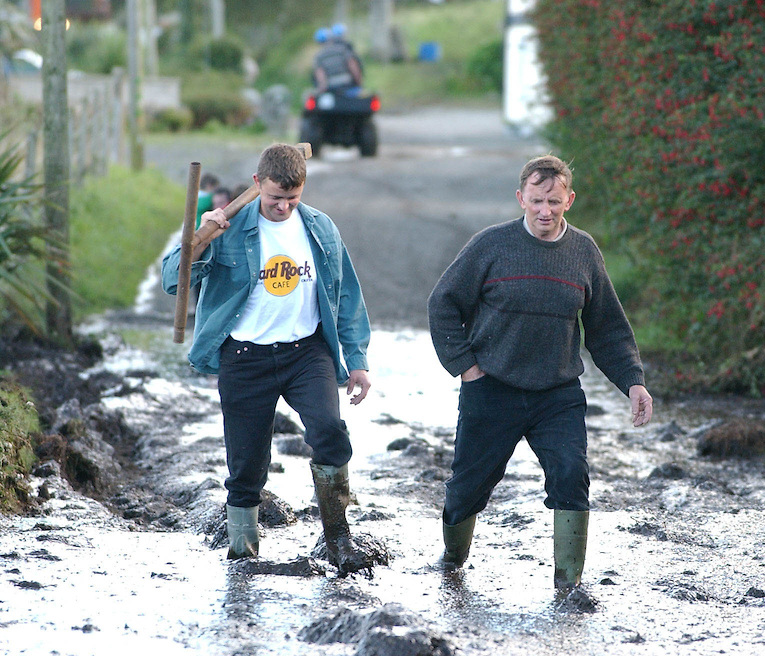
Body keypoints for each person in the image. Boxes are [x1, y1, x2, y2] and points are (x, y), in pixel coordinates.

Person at [427, 154, 654, 589]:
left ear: (569, 199)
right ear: (521, 198)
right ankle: (452, 561)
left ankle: (568, 586)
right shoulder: (491, 246)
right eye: (536, 201)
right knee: (467, 489)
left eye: (554, 200)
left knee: (571, 473)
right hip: (491, 387)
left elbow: (606, 328)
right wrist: (465, 368)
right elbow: (443, 303)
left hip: (557, 393)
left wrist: (634, 382)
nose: (545, 210)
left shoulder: (583, 252)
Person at [161, 143, 374, 575]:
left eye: (292, 199)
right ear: (257, 183)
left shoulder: (320, 228)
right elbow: (171, 280)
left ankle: (338, 539)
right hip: (244, 357)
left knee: (330, 432)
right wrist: (201, 240)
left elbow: (346, 295)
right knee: (246, 464)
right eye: (275, 197)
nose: (283, 207)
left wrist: (357, 359)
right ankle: (243, 555)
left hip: (306, 352)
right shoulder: (228, 227)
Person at [313, 23, 363, 97]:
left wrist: (321, 90)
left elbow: (321, 76)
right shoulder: (343, 49)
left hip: (331, 89)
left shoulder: (319, 56)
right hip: (347, 85)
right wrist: (359, 83)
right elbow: (353, 66)